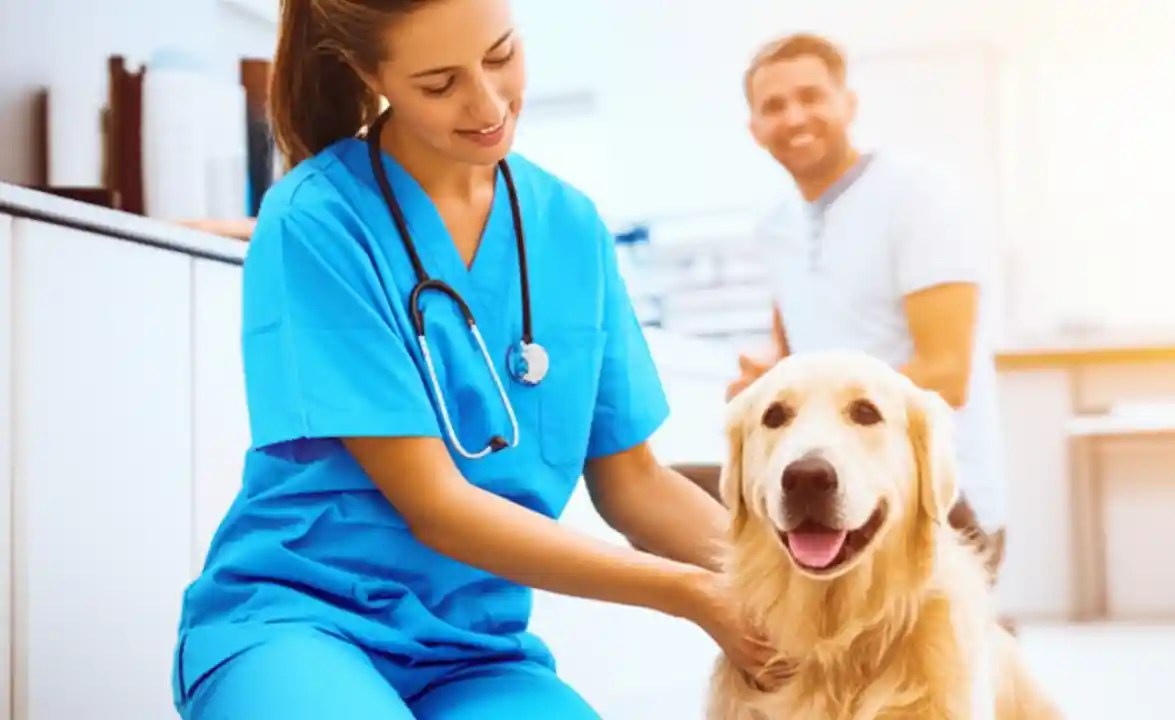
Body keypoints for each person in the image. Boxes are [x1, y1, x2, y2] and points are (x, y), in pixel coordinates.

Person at [170, 2, 792, 718]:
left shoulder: (570, 225)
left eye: (501, 56)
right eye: (440, 84)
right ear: (369, 73)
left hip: (474, 652)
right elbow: (436, 507)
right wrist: (687, 593)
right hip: (299, 622)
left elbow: (636, 485)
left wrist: (795, 583)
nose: (490, 104)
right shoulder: (318, 219)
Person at [728, 33, 1011, 586]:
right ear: (754, 129)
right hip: (825, 485)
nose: (795, 116)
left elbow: (947, 375)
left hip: (939, 496)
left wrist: (837, 417)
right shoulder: (775, 228)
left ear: (848, 104)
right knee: (682, 508)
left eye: (812, 96)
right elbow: (793, 357)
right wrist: (764, 383)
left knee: (933, 667)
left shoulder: (920, 197)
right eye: (774, 106)